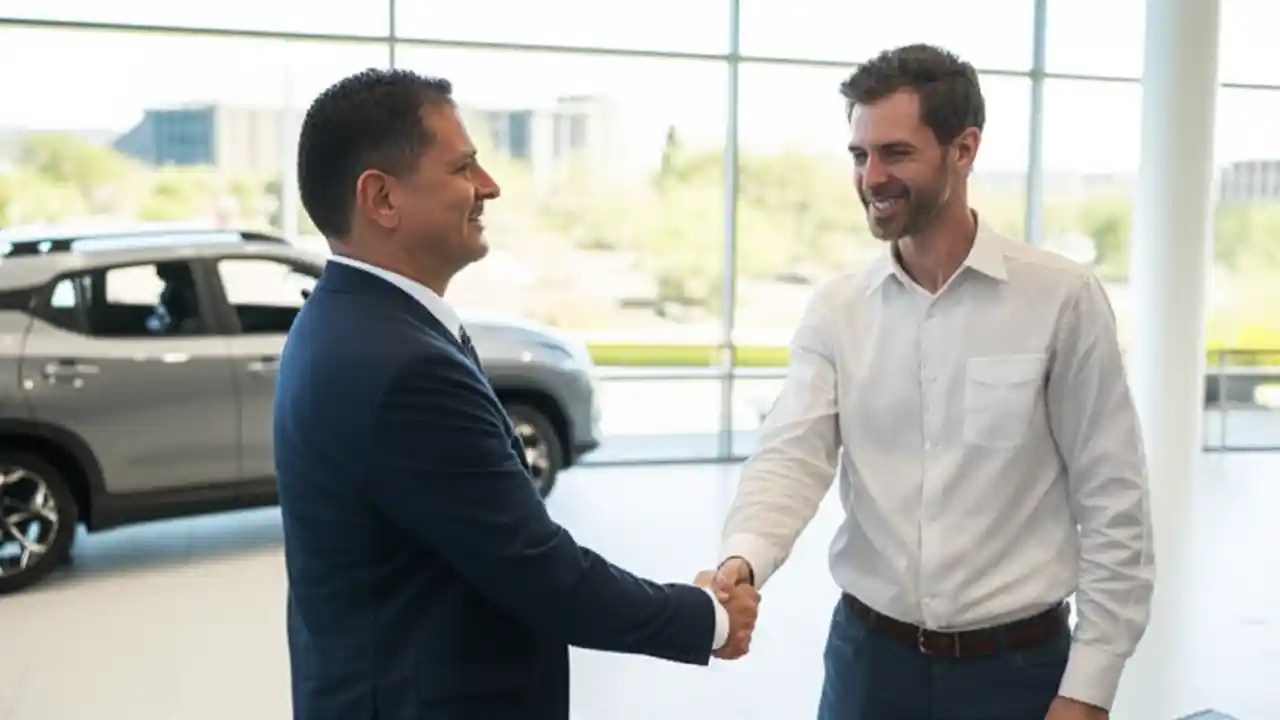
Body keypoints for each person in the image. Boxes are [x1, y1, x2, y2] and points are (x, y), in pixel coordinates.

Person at [274, 68, 759, 720]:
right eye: (464, 167)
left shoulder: (341, 322)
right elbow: (538, 569)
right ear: (381, 199)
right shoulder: (400, 365)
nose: (489, 187)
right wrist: (706, 619)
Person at [703, 44, 1154, 719]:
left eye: (896, 154)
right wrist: (742, 560)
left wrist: (1089, 687)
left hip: (1018, 672)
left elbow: (1114, 498)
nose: (872, 176)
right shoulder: (838, 309)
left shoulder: (1061, 299)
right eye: (860, 155)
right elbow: (789, 458)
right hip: (868, 666)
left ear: (964, 149)